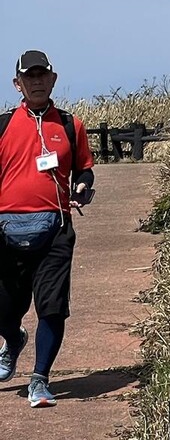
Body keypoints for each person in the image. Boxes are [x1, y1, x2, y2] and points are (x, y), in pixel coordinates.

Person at [0, 50, 94, 410]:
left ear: (53, 79)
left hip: (55, 227)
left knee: (51, 308)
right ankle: (13, 339)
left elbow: (84, 169)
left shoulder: (72, 125)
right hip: (6, 233)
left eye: (42, 75)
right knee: (4, 310)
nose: (36, 81)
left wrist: (84, 186)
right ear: (17, 84)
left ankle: (40, 380)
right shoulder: (3, 125)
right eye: (29, 76)